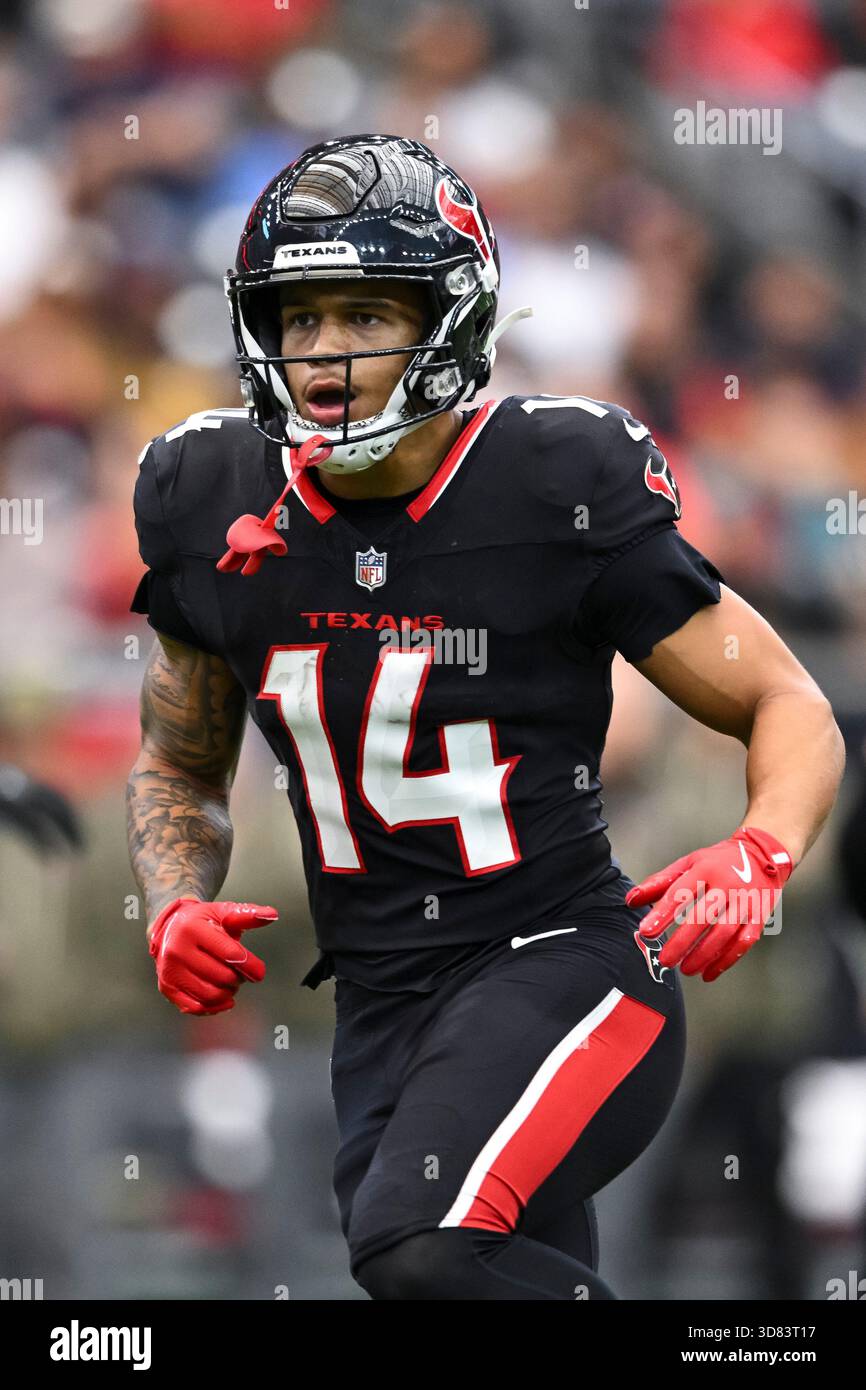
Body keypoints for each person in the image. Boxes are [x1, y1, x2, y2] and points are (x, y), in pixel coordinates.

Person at [126, 134, 844, 1300]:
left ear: (451, 316)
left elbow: (783, 700)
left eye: (363, 314)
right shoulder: (208, 491)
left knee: (419, 1244)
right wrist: (171, 899)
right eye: (298, 318)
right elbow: (178, 755)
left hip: (560, 963)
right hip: (378, 999)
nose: (322, 353)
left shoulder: (551, 477)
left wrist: (758, 849)